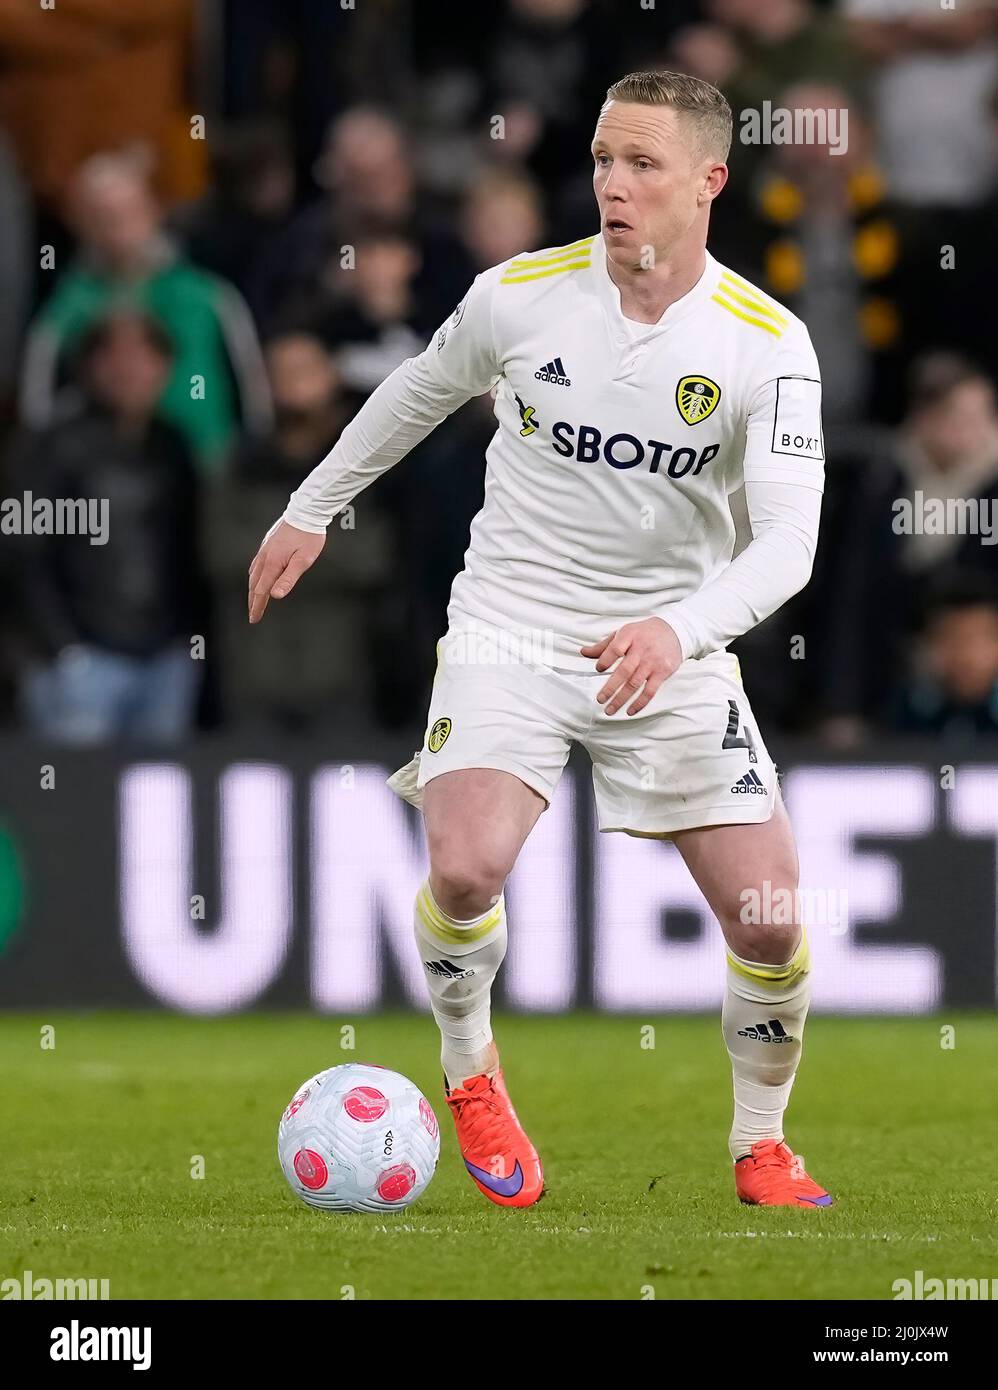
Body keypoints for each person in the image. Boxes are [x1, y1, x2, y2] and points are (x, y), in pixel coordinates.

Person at [248, 71, 830, 1210]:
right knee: (463, 866)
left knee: (769, 920)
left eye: (642, 164)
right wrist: (311, 507)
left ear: (708, 181)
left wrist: (679, 627)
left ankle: (760, 1142)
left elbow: (788, 546)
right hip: (511, 619)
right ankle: (469, 1072)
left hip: (672, 642)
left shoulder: (768, 343)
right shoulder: (520, 295)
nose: (612, 184)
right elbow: (417, 390)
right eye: (605, 159)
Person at [12, 312, 202, 745]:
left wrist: (187, 642)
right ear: (89, 368)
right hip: (80, 660)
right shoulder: (50, 447)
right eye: (115, 358)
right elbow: (23, 554)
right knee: (70, 803)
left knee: (156, 803)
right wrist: (61, 645)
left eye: (145, 357)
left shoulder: (174, 446)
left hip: (166, 657)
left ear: (165, 368)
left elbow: (190, 550)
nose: (130, 371)